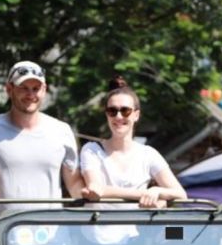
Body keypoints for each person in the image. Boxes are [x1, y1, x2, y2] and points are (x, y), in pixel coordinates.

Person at [0, 60, 85, 228]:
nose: (30, 94)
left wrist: (102, 191)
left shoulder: (62, 131)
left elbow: (74, 185)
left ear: (44, 91)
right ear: (9, 90)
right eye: (23, 87)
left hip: (52, 236)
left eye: (36, 88)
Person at [80, 76, 187, 207]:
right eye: (112, 111)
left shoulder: (148, 154)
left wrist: (157, 191)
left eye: (125, 111)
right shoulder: (91, 150)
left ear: (136, 115)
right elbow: (96, 188)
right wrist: (145, 194)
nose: (118, 116)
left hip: (135, 227)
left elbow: (181, 194)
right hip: (99, 226)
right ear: (106, 115)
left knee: (175, 228)